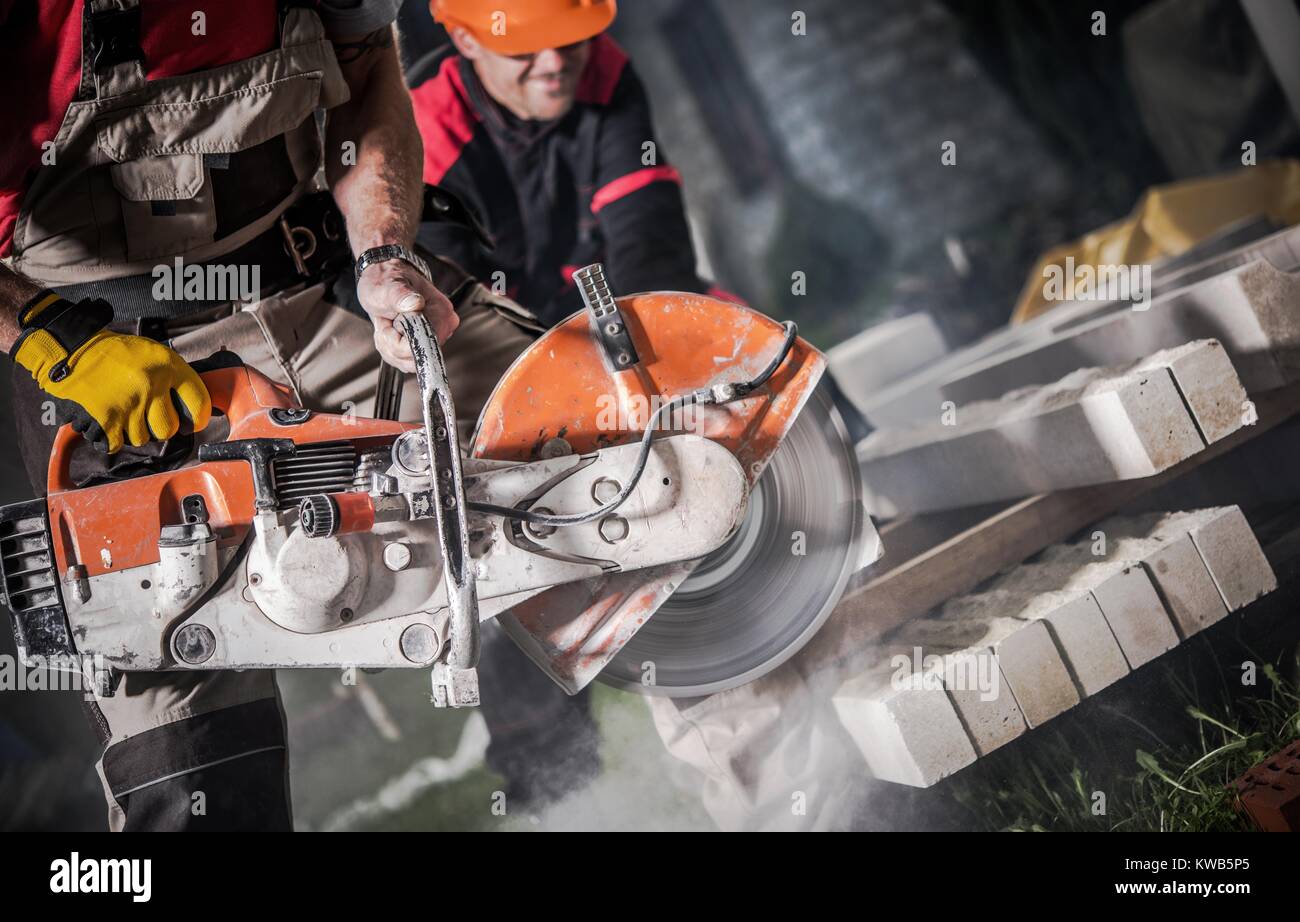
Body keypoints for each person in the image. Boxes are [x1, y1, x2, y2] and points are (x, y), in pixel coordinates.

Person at [0, 0, 536, 830]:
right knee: (190, 776)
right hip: (119, 370)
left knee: (652, 470)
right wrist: (55, 342)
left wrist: (385, 249)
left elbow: (367, 69)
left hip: (332, 290)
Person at [399, 0, 741, 808]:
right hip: (491, 357)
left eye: (571, 39)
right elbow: (451, 308)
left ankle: (838, 606)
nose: (556, 63)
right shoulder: (422, 127)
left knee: (769, 379)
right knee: (512, 560)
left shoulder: (609, 75)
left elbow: (652, 248)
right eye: (527, 49)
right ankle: (557, 794)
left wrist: (668, 384)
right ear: (465, 38)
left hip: (610, 329)